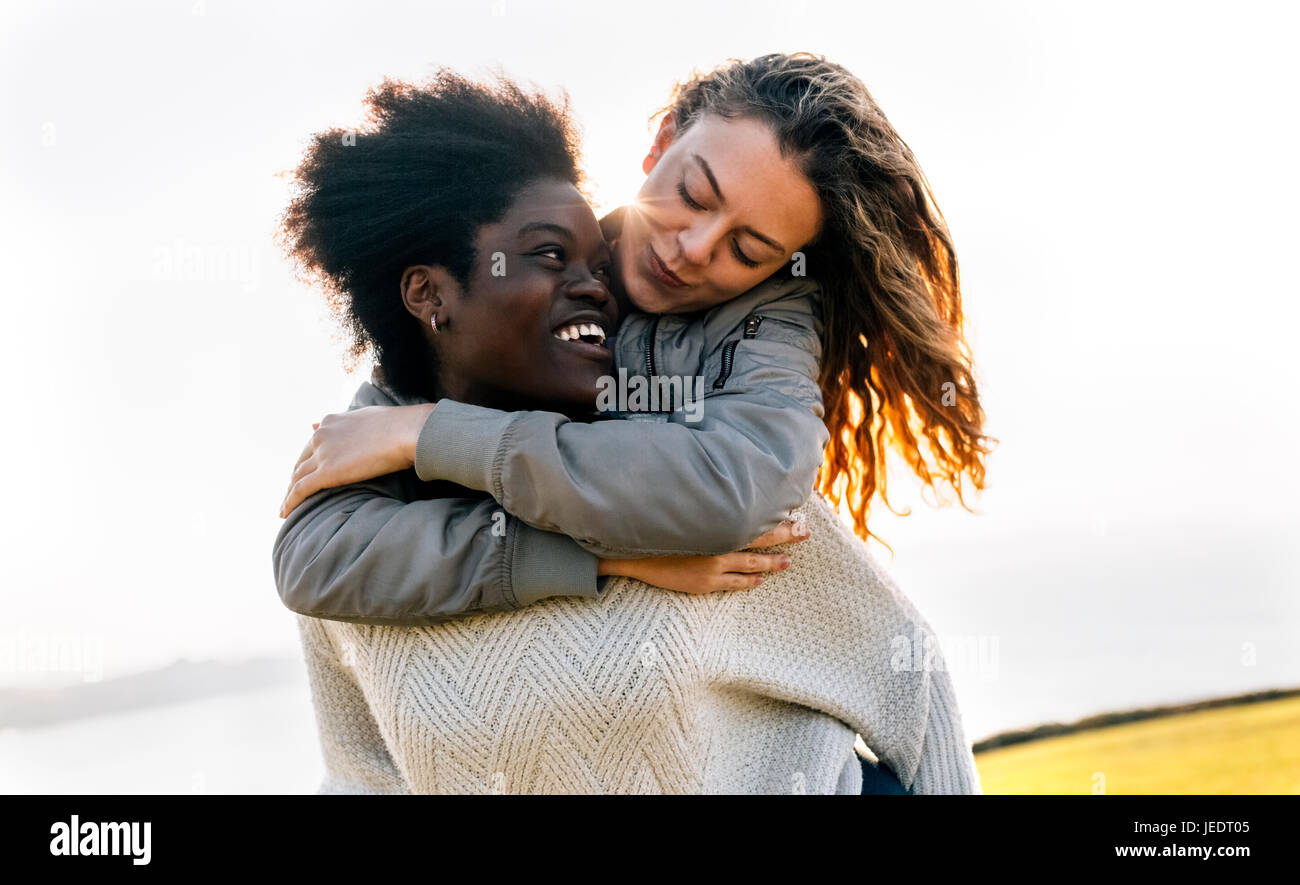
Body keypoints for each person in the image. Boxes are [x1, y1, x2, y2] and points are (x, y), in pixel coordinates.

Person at [275, 59, 988, 794]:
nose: (692, 249)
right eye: (692, 194)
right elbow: (312, 559)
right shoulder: (493, 304)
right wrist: (598, 558)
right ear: (661, 143)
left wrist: (436, 436)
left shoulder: (751, 339)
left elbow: (737, 493)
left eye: (748, 250)